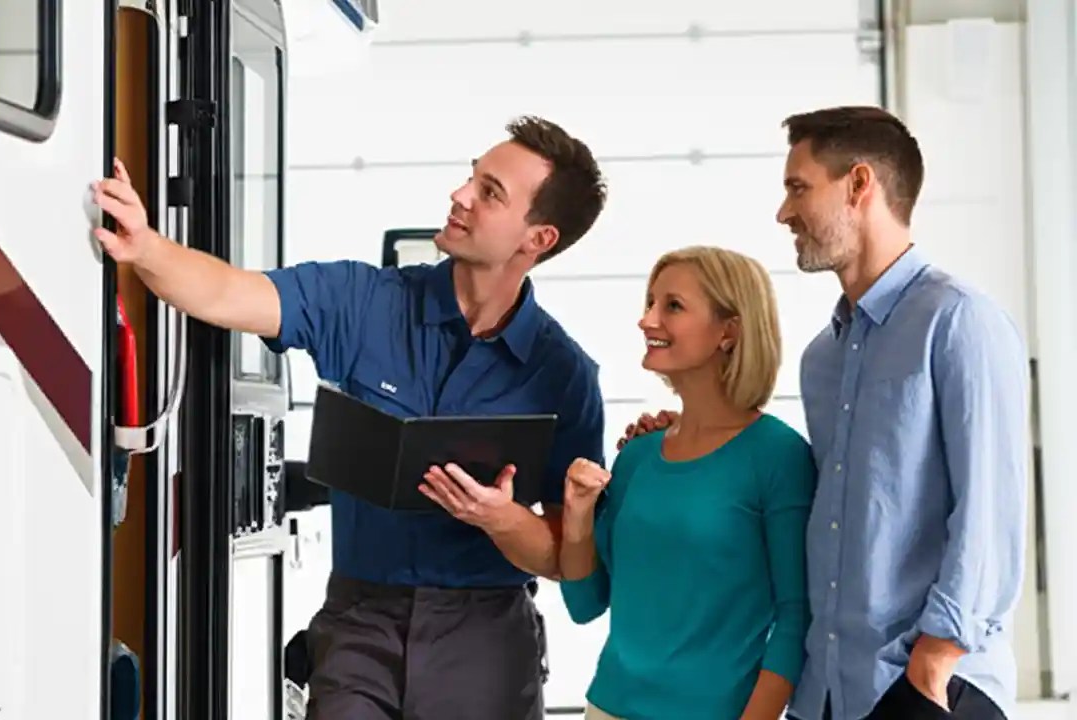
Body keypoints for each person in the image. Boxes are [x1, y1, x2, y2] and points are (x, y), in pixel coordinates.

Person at [92, 115, 610, 720]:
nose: (460, 195)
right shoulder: (363, 301)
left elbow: (563, 555)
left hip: (486, 639)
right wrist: (146, 247)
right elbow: (229, 294)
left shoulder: (565, 377)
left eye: (490, 192)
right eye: (471, 178)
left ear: (537, 239)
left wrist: (499, 519)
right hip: (359, 624)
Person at [621, 106, 1029, 720]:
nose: (784, 212)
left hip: (928, 687)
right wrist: (688, 441)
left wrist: (935, 658)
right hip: (829, 693)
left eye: (798, 188)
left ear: (859, 185)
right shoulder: (824, 357)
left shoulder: (957, 321)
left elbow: (990, 510)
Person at [560, 246, 815, 720]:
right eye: (649, 303)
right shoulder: (636, 455)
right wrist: (577, 512)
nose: (647, 320)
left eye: (671, 306)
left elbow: (794, 619)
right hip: (607, 707)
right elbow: (584, 602)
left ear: (729, 331)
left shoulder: (779, 457)